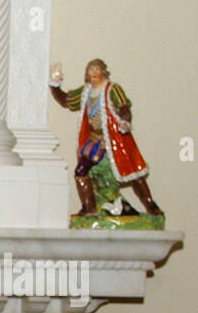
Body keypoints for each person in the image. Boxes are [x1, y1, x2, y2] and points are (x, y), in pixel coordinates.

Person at [50, 58, 162, 217]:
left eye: (97, 69)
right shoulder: (85, 92)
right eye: (91, 70)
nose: (94, 73)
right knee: (81, 171)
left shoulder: (112, 89)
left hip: (116, 140)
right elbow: (66, 100)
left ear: (104, 71)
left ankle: (151, 205)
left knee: (134, 173)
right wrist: (54, 84)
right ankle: (89, 208)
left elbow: (124, 107)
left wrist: (125, 121)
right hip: (95, 142)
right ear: (87, 75)